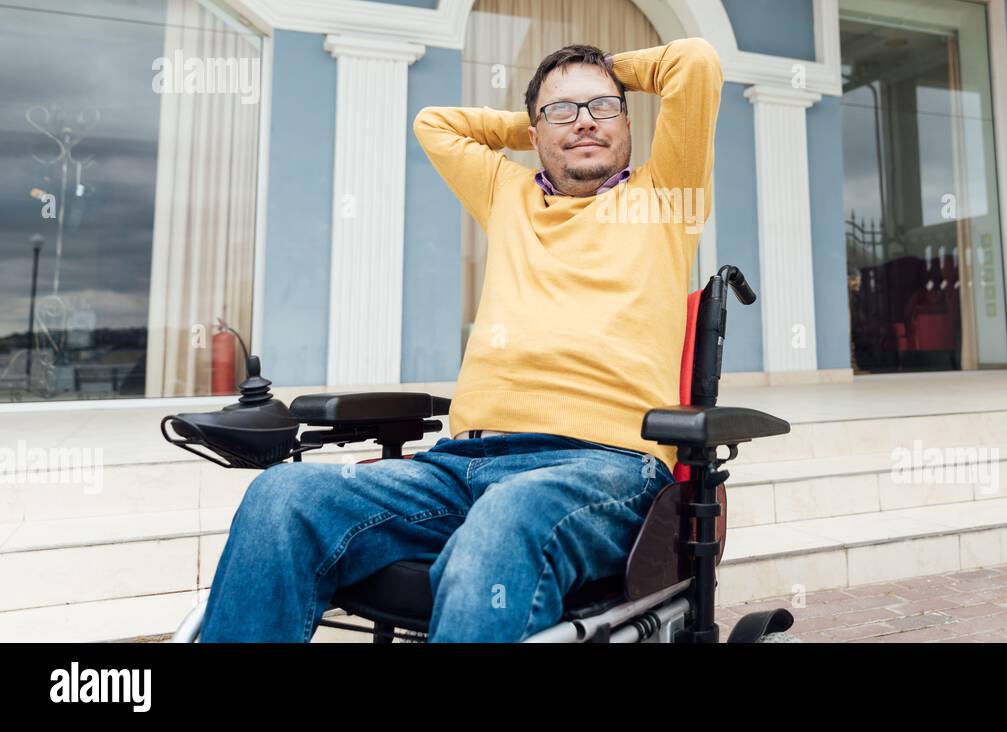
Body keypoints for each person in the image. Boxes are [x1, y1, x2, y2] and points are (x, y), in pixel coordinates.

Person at [200, 37, 723, 642]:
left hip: (602, 466)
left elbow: (696, 63)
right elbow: (435, 124)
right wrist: (542, 119)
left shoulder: (666, 199)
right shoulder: (509, 196)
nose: (583, 121)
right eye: (561, 111)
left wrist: (606, 75)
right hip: (460, 465)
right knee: (282, 495)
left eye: (603, 107)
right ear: (534, 135)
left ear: (629, 120)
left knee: (505, 519)